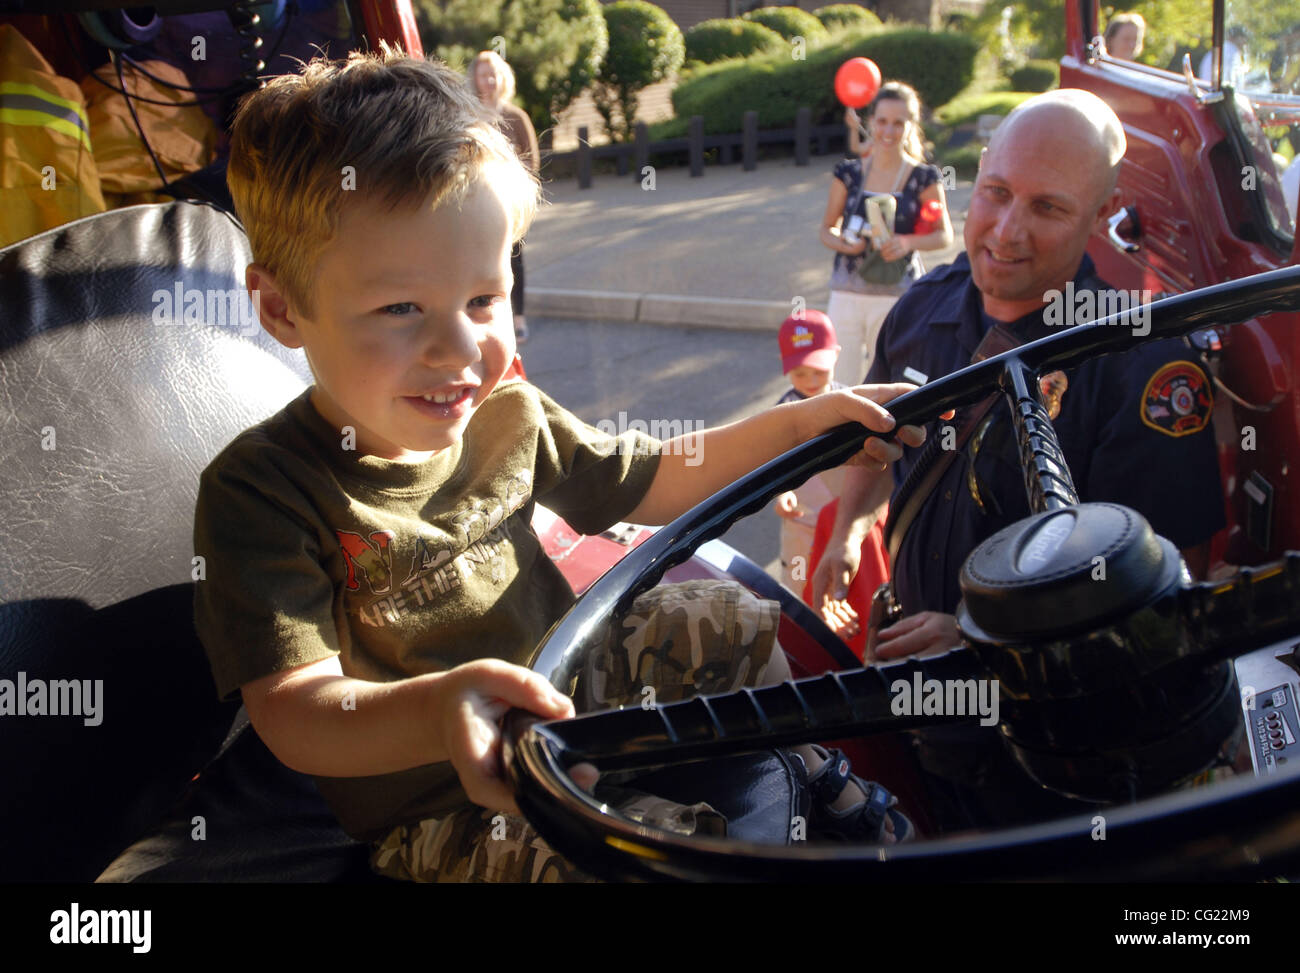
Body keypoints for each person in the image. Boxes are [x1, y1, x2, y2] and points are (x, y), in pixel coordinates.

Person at [204, 48, 927, 883]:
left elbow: (657, 473)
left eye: (483, 299)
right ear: (281, 307)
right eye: (401, 309)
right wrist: (440, 709)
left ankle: (798, 772)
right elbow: (297, 712)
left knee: (731, 616)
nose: (462, 349)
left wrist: (797, 422)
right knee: (636, 854)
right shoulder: (262, 490)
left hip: (569, 685)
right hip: (443, 803)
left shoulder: (505, 412)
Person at [812, 89, 1225, 831]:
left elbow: (1160, 607)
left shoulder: (1140, 366)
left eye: (1048, 208)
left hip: (1047, 760)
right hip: (917, 715)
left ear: (1101, 216)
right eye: (996, 194)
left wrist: (978, 638)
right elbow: (877, 440)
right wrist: (846, 528)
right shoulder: (918, 311)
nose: (1005, 231)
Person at [821, 82, 954, 388]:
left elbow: (944, 235)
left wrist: (907, 242)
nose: (889, 131)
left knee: (889, 389)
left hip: (897, 297)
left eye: (899, 123)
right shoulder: (848, 173)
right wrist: (843, 242)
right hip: (846, 295)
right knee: (839, 388)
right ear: (870, 122)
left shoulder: (924, 177)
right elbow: (826, 229)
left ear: (911, 126)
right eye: (882, 121)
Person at [771, 311, 847, 593]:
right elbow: (773, 462)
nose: (811, 380)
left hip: (843, 517)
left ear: (836, 355)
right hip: (802, 518)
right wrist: (782, 492)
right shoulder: (783, 413)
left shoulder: (850, 403)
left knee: (844, 582)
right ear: (785, 365)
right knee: (798, 584)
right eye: (800, 373)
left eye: (819, 371)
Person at [469, 50, 538, 344]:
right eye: (483, 74)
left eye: (494, 74)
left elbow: (532, 160)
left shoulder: (515, 116)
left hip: (509, 206)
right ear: (474, 79)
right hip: (475, 206)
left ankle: (517, 317)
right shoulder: (468, 117)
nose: (489, 80)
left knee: (514, 262)